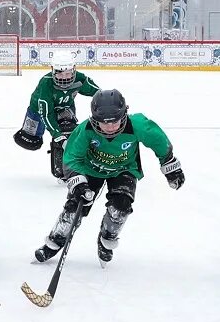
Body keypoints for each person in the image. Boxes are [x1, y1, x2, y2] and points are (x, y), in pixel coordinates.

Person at [34, 88, 184, 265]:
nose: (111, 127)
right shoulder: (86, 129)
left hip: (124, 169)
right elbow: (72, 157)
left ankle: (106, 239)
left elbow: (159, 141)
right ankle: (55, 241)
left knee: (121, 206)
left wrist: (170, 167)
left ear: (124, 114)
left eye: (115, 121)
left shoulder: (137, 125)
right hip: (90, 169)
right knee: (75, 207)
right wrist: (78, 182)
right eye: (104, 123)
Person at [13, 50, 100, 179]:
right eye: (60, 74)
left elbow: (98, 93)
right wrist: (57, 135)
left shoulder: (80, 79)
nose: (64, 78)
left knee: (70, 133)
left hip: (65, 107)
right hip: (39, 110)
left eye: (68, 73)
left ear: (74, 70)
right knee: (30, 142)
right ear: (53, 71)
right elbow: (46, 114)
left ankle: (64, 168)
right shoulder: (45, 84)